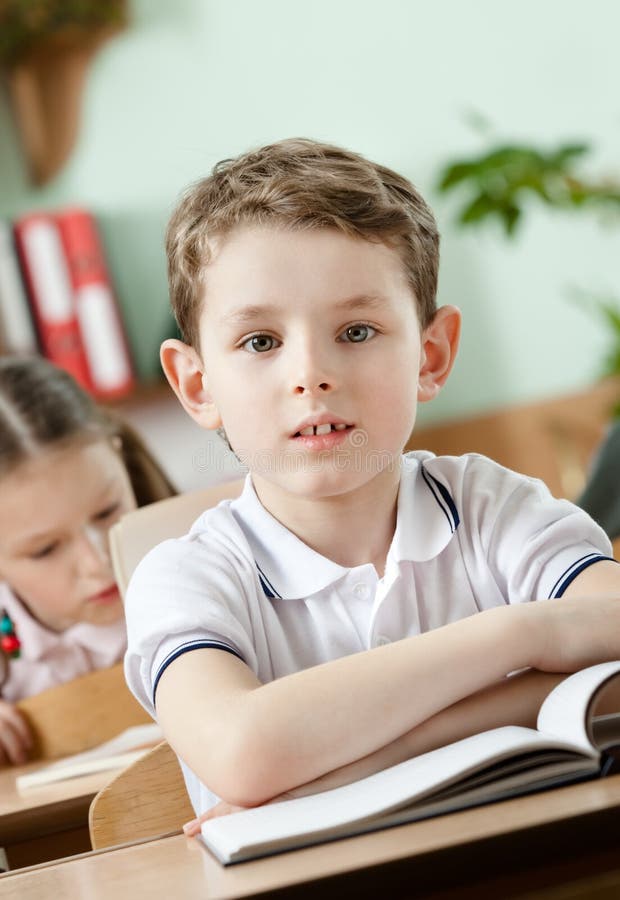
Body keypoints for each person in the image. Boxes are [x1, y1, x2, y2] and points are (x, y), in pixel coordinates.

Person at [123, 138, 620, 825]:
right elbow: (242, 752)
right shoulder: (182, 577)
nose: (311, 375)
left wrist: (365, 764)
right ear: (197, 384)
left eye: (356, 331)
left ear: (431, 355)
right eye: (261, 342)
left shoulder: (493, 507)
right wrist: (525, 637)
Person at [0, 355, 176, 765]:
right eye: (45, 550)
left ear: (117, 456)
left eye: (107, 511)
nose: (97, 563)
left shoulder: (211, 566)